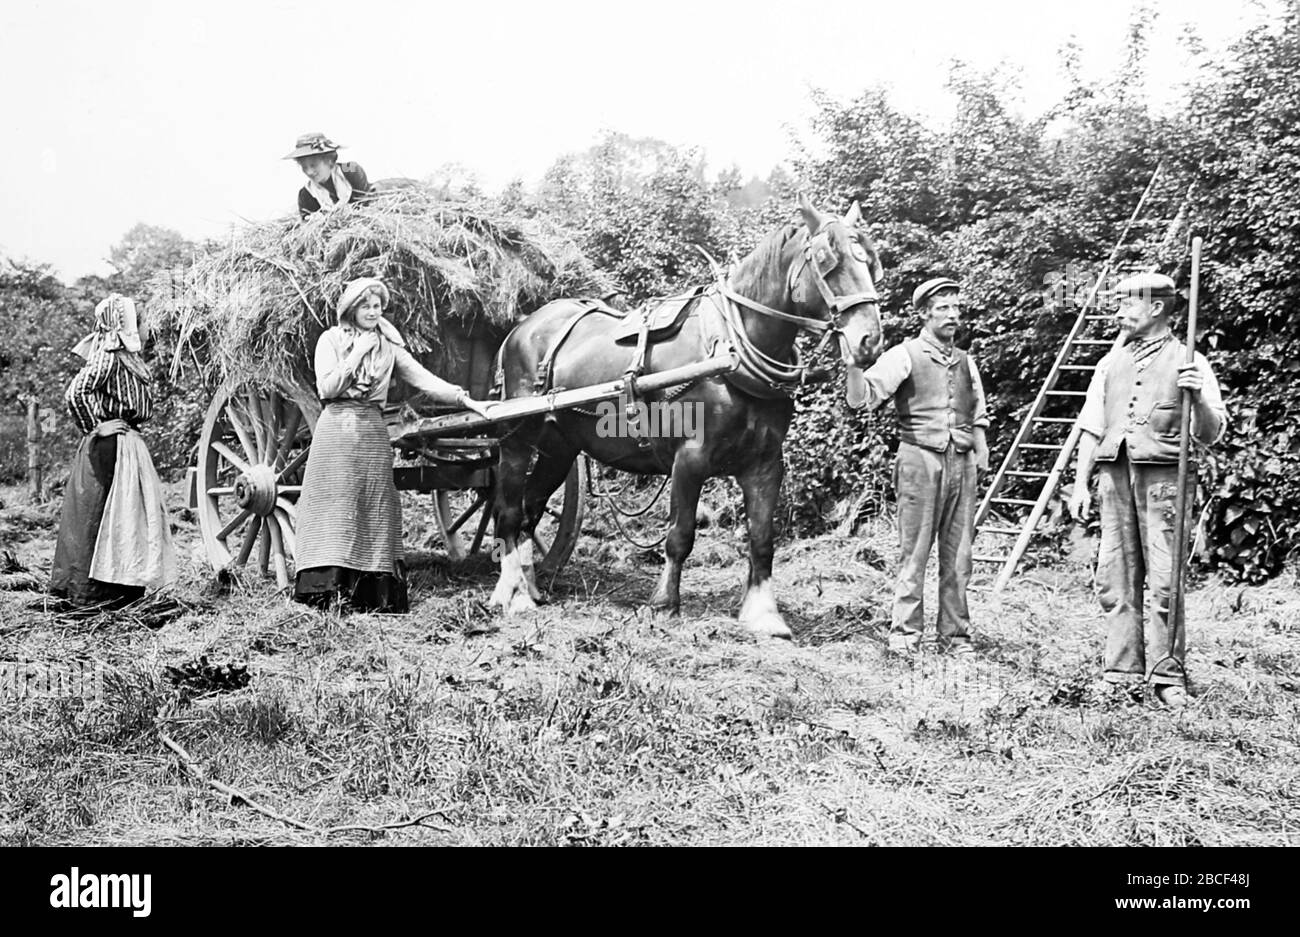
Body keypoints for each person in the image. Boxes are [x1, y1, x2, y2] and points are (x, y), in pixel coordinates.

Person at [1068, 273, 1227, 710]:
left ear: (1157, 308)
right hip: (1113, 477)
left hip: (1164, 482)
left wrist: (1199, 399)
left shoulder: (1190, 360)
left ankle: (1167, 676)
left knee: (1164, 579)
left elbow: (1209, 434)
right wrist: (1081, 483)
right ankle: (1120, 672)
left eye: (1127, 304)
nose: (1119, 312)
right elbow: (1091, 425)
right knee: (1115, 576)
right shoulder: (1109, 362)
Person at [293, 277, 494, 613]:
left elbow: (423, 380)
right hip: (337, 430)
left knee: (374, 507)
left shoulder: (389, 347)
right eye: (366, 306)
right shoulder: (330, 340)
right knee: (336, 505)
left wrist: (466, 399)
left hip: (371, 431)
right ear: (352, 308)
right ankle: (325, 592)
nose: (373, 312)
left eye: (378, 306)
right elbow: (327, 388)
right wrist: (356, 354)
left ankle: (370, 596)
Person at [853, 277, 991, 655]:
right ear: (924, 313)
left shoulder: (966, 361)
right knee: (914, 553)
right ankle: (905, 637)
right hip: (918, 459)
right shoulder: (904, 354)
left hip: (961, 463)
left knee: (960, 556)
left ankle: (956, 638)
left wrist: (981, 454)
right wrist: (852, 366)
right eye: (943, 308)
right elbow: (864, 397)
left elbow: (978, 413)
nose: (952, 315)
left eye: (956, 307)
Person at [49, 294, 177, 609]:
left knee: (127, 517)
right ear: (128, 325)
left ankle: (123, 589)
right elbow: (76, 392)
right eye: (144, 322)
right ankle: (93, 595)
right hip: (109, 450)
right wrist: (97, 426)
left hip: (127, 446)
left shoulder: (130, 359)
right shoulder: (108, 356)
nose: (148, 329)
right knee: (102, 515)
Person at [283, 132, 371, 219]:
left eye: (314, 165)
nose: (309, 172)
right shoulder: (306, 194)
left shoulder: (351, 169)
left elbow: (368, 202)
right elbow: (307, 222)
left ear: (329, 160)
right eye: (304, 167)